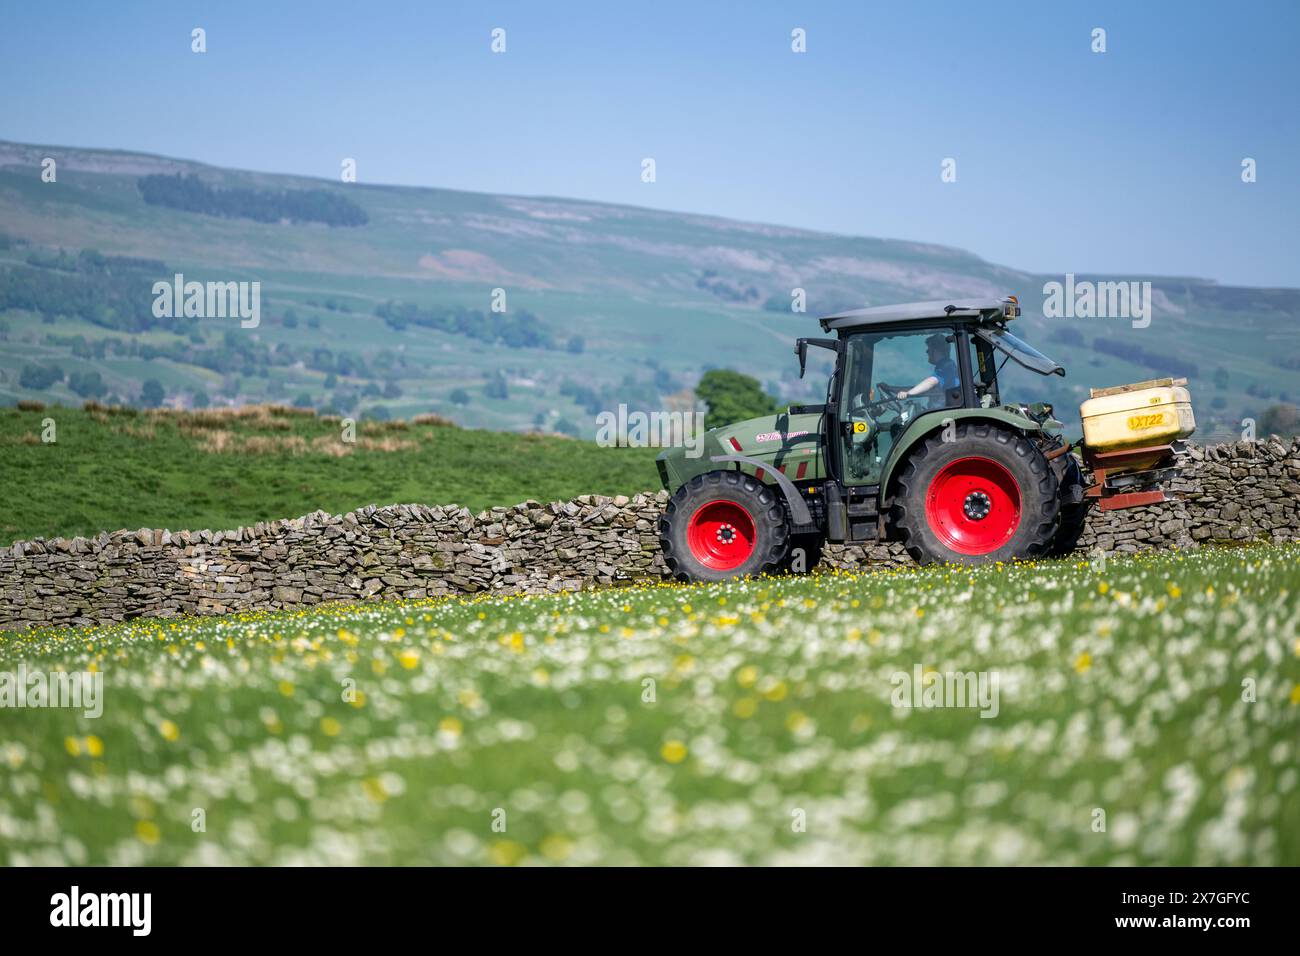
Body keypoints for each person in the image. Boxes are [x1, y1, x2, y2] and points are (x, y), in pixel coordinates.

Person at [893, 333, 960, 407]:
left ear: (936, 350)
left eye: (928, 349)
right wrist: (891, 388)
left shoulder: (947, 366)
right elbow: (922, 388)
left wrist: (908, 394)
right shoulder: (944, 366)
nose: (926, 352)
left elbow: (930, 382)